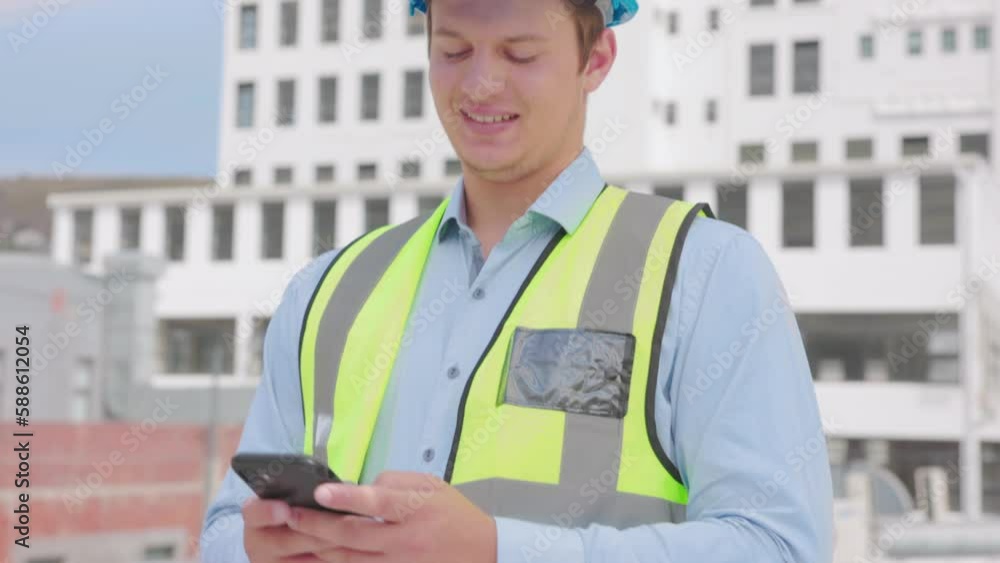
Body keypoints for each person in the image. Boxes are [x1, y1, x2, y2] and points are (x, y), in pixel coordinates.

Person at [201, 0, 834, 561]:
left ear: (596, 59)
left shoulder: (705, 273)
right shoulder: (327, 290)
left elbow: (780, 547)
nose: (481, 84)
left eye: (520, 53)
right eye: (454, 51)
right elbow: (227, 531)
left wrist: (498, 551)